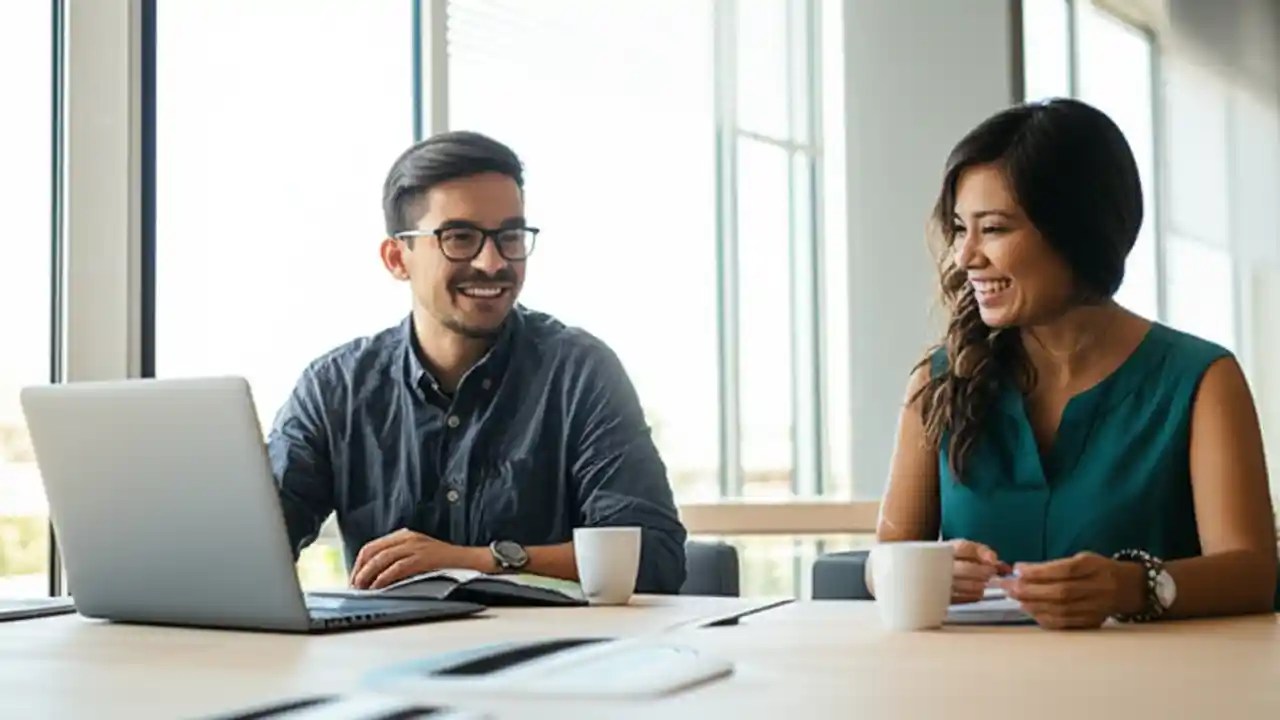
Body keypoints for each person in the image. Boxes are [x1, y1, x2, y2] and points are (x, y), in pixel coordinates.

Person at [877, 98, 1278, 629]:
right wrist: (926, 571)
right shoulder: (937, 379)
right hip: (968, 696)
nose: (965, 256)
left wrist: (1131, 585)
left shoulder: (1202, 380)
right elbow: (884, 558)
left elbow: (1253, 574)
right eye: (959, 228)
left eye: (993, 229)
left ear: (1077, 232)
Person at [268, 131, 687, 593]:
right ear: (397, 258)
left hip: (549, 657)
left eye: (509, 236)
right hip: (388, 658)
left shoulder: (579, 373)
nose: (492, 262)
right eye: (460, 238)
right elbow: (257, 541)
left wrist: (476, 561)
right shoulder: (335, 388)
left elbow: (652, 556)